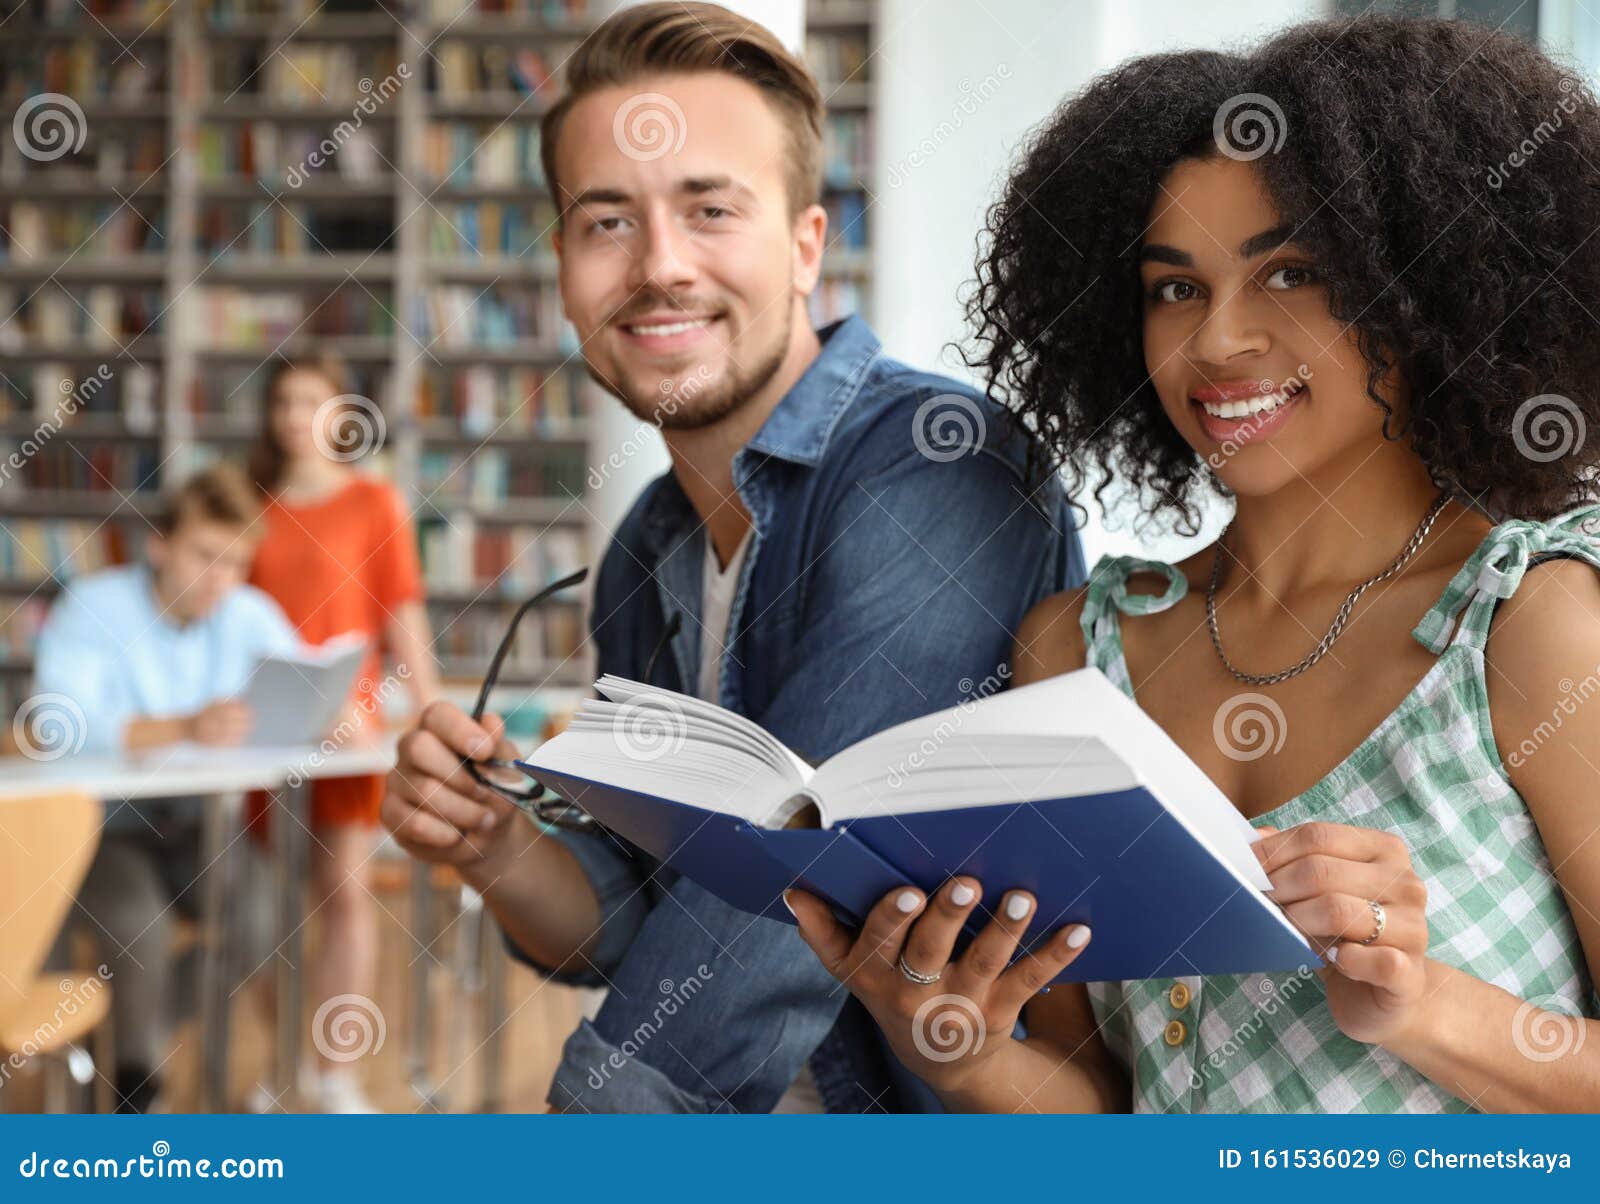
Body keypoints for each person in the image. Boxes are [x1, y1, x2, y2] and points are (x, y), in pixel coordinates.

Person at [789, 15, 1600, 1113]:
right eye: (1174, 288)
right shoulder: (1076, 651)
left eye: (1292, 273)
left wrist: (1422, 1009)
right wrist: (959, 1050)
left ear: (1431, 292)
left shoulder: (1535, 624)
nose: (1217, 340)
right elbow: (1109, 1103)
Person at [380, 1, 1086, 1113]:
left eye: (710, 210)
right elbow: (642, 926)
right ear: (562, 263)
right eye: (607, 222)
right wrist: (498, 845)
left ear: (806, 245)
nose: (659, 266)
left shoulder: (937, 465)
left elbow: (810, 848)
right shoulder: (643, 548)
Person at [32, 464, 298, 1112]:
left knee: (264, 916)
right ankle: (135, 1079)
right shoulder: (94, 605)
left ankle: (135, 1039)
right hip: (102, 829)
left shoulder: (248, 613)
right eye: (205, 556)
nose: (219, 579)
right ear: (159, 544)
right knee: (138, 928)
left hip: (198, 824)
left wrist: (336, 709)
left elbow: (304, 680)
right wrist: (182, 726)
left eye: (236, 564)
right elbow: (55, 724)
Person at [246, 357, 438, 1113]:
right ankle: (286, 1061)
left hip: (347, 730)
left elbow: (403, 611)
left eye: (312, 401)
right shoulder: (250, 506)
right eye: (284, 401)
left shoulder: (374, 502)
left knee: (346, 895)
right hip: (263, 732)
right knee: (264, 914)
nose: (296, 416)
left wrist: (429, 709)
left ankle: (336, 1074)